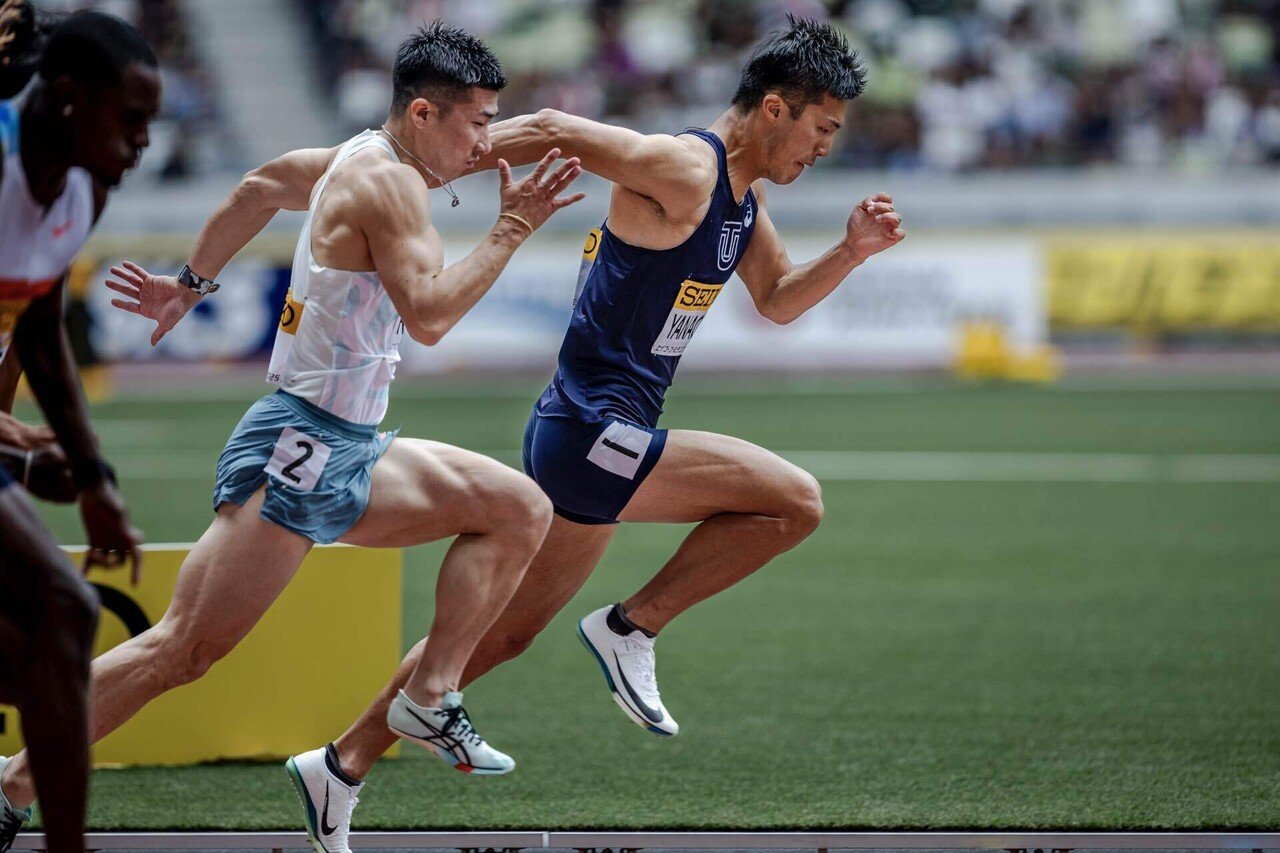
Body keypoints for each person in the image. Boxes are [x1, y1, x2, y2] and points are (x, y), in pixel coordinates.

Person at [295, 13, 906, 842]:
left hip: (585, 436)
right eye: (822, 127)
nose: (825, 147)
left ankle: (339, 765)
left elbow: (777, 301)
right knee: (793, 501)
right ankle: (631, 625)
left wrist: (851, 252)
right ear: (774, 109)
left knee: (499, 637)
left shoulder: (742, 200)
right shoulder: (685, 167)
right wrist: (416, 166)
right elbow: (550, 129)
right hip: (592, 430)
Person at [0, 20, 583, 853]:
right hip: (299, 445)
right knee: (183, 648)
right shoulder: (391, 190)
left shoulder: (356, 156)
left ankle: (419, 701)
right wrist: (511, 227)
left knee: (517, 508)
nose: (488, 140)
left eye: (494, 120)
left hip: (350, 441)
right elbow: (429, 318)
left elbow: (259, 184)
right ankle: (12, 780)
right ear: (423, 114)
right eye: (478, 121)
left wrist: (189, 284)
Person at [0, 7, 153, 853]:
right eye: (128, 120)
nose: (140, 144)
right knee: (52, 617)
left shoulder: (83, 189)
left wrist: (92, 478)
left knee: (57, 622)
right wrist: (23, 463)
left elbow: (41, 335)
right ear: (64, 97)